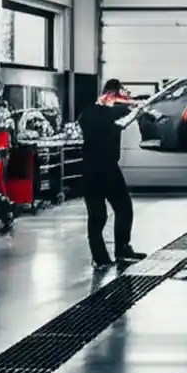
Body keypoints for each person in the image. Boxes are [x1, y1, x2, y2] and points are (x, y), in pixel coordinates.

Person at [79, 79, 147, 268]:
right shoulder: (102, 112)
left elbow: (121, 117)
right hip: (103, 168)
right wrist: (136, 106)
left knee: (99, 215)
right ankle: (118, 251)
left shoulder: (89, 113)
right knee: (120, 209)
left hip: (92, 169)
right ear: (110, 94)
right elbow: (119, 113)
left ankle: (104, 258)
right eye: (119, 95)